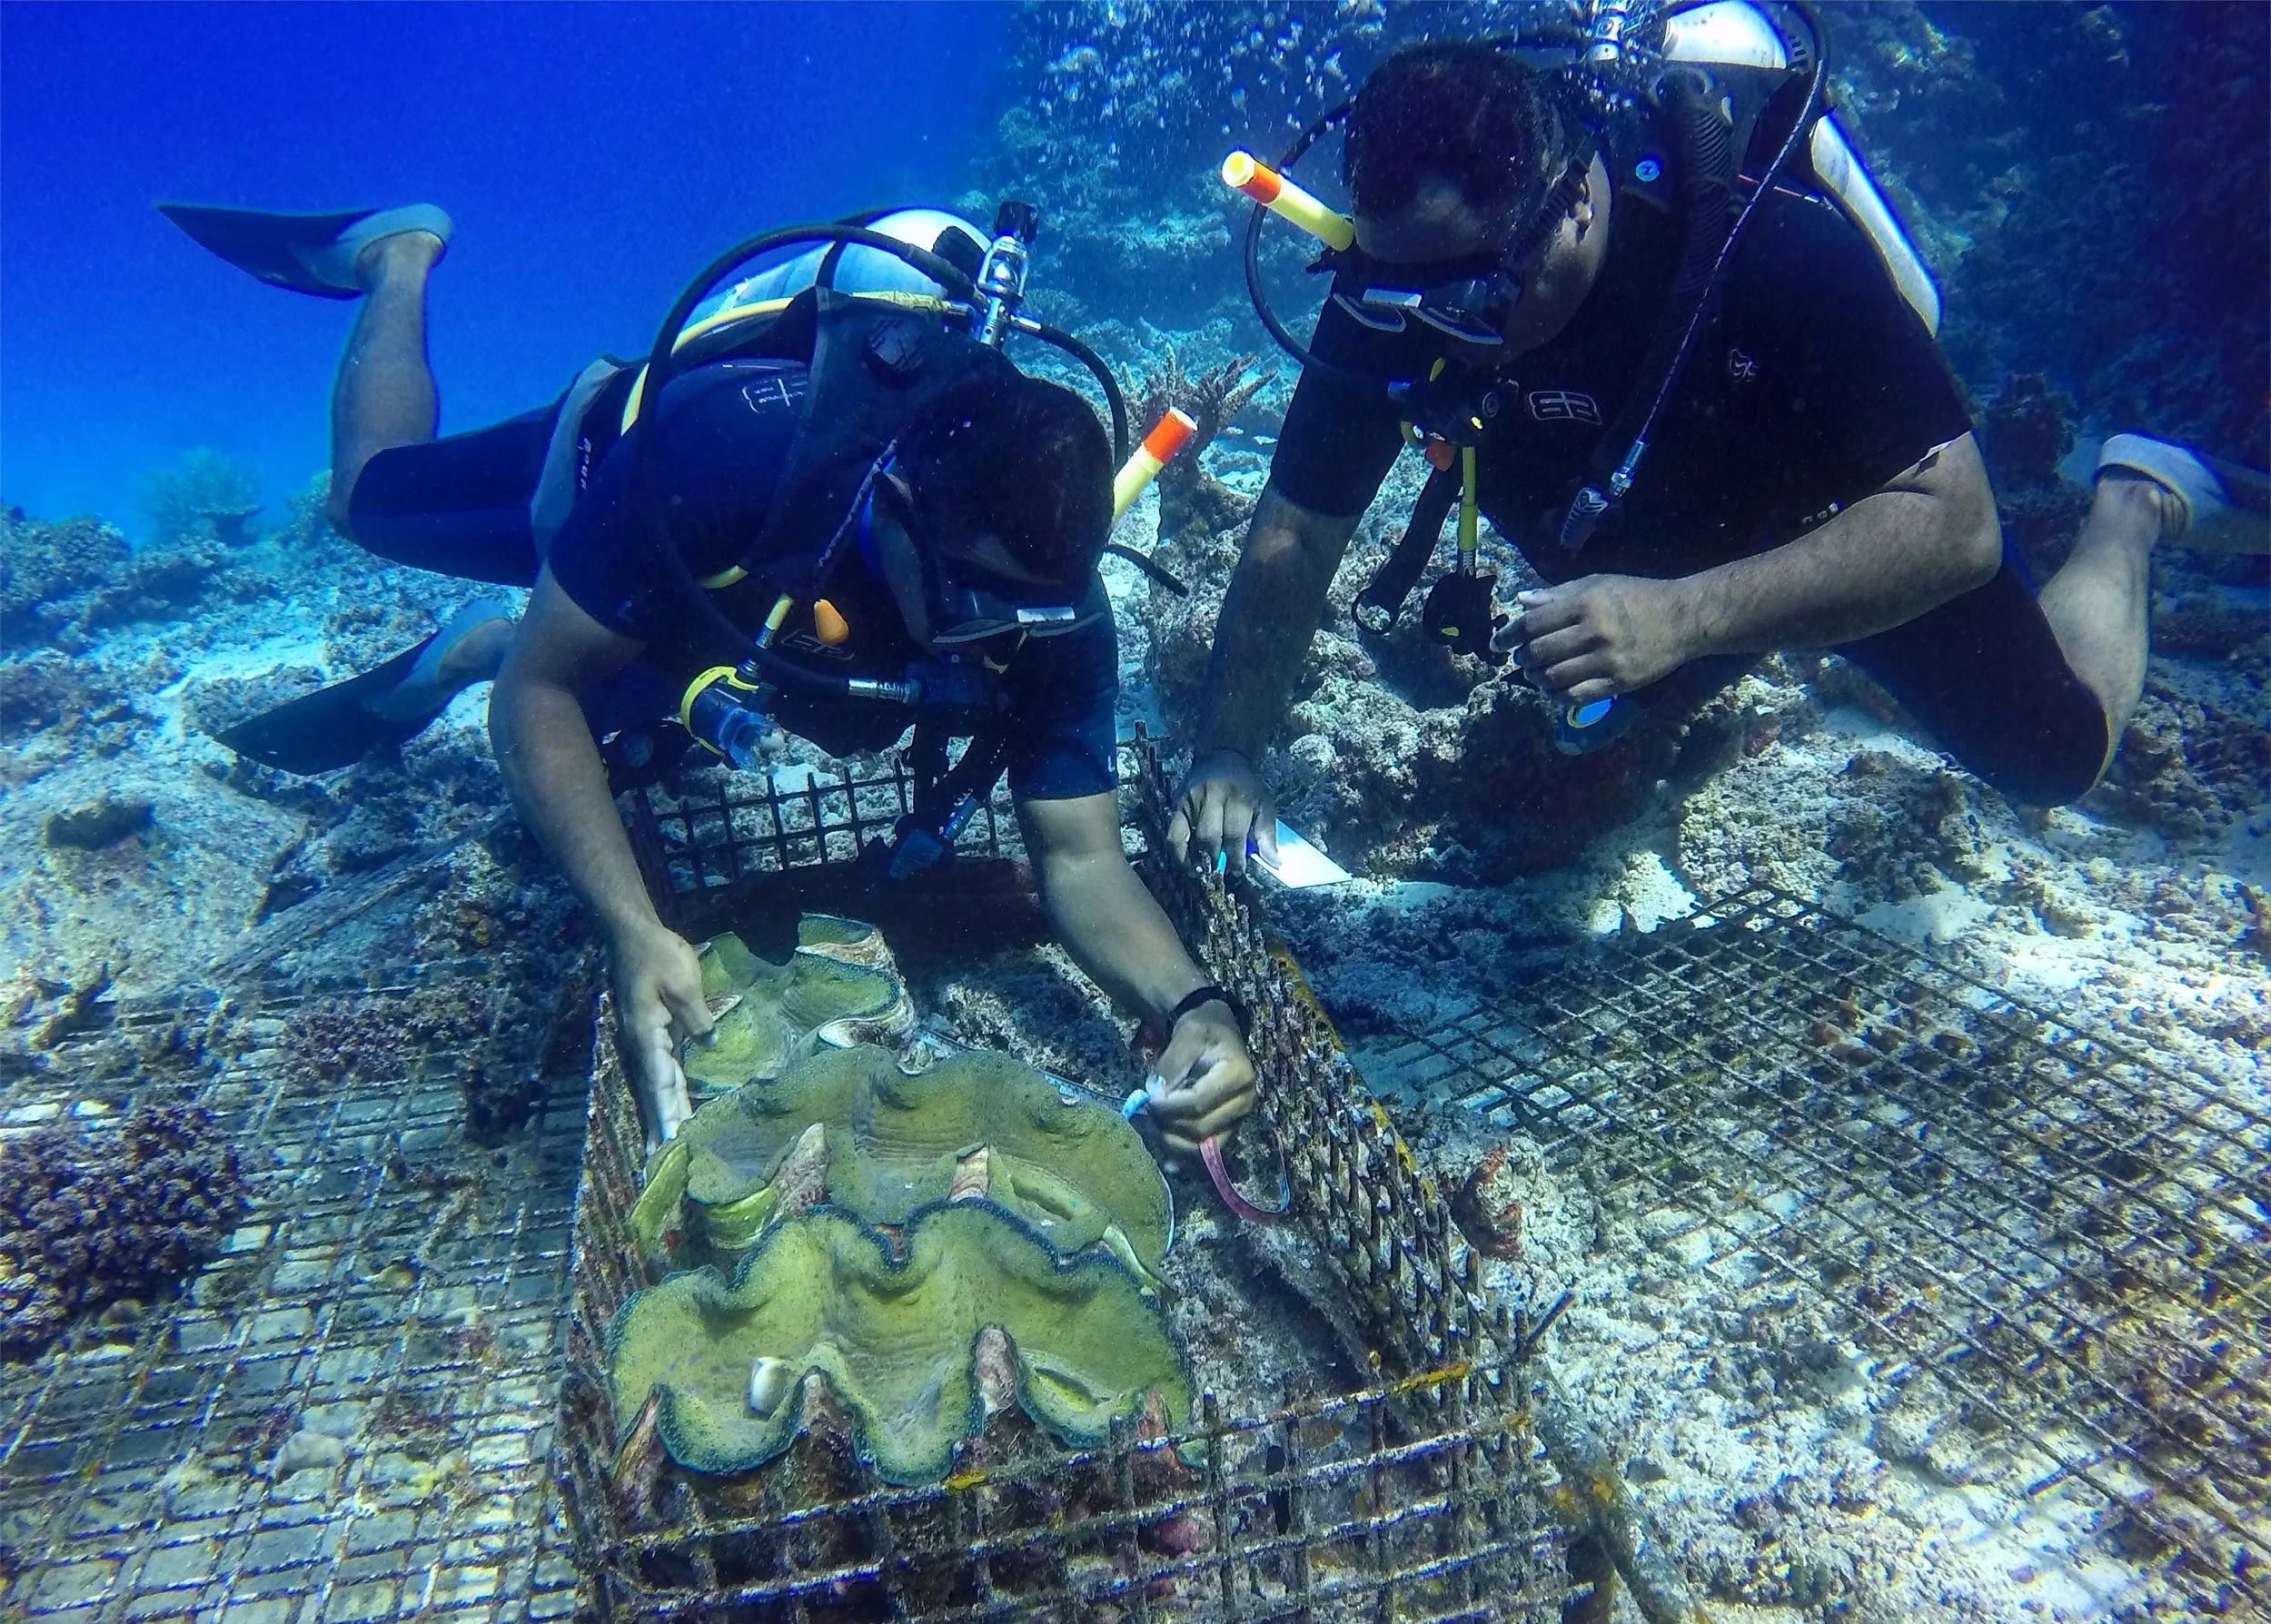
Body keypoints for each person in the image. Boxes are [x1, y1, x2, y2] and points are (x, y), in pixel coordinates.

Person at [161, 199, 1256, 1149]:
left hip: (742, 634)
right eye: (972, 606)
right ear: (899, 508)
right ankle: (396, 255)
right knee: (368, 505)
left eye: (1031, 614)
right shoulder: (725, 454)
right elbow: (535, 701)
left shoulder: (1052, 600)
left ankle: (515, 640)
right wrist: (636, 931)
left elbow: (1078, 857)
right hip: (605, 497)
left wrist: (1193, 1005)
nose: (996, 643)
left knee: (648, 731)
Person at [1171, 40, 2270, 870]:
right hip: (1637, 536)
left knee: (2055, 759)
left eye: (1467, 297)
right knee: (1568, 746)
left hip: (1832, 522)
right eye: (1399, 292)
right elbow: (1294, 533)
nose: (1432, 330)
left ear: (1566, 207)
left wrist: (1681, 621)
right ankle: (1682, 660)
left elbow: (1959, 524)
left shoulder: (1770, 245)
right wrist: (1227, 748)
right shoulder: (1400, 291)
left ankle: (2135, 497)